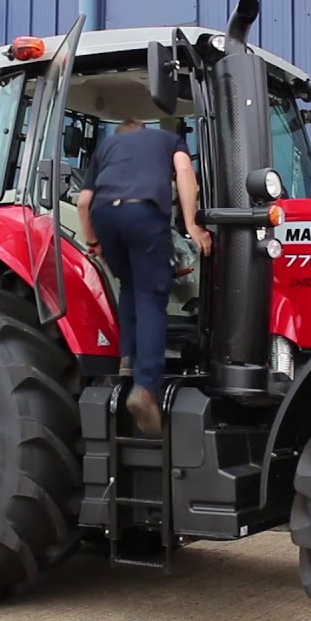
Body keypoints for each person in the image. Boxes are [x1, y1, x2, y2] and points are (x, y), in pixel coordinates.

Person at [76, 119, 211, 437]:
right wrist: (192, 224)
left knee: (130, 284)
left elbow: (83, 202)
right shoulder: (168, 139)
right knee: (152, 296)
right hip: (143, 213)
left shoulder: (107, 147)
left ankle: (127, 357)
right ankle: (146, 388)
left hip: (105, 214)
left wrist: (93, 241)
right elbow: (185, 173)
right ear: (143, 132)